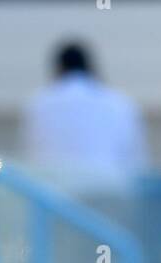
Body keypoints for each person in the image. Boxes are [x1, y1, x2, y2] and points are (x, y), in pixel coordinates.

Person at [22, 41, 148, 199]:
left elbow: (32, 154)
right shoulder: (119, 102)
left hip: (56, 194)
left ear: (59, 69)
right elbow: (135, 159)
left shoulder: (39, 103)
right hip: (108, 190)